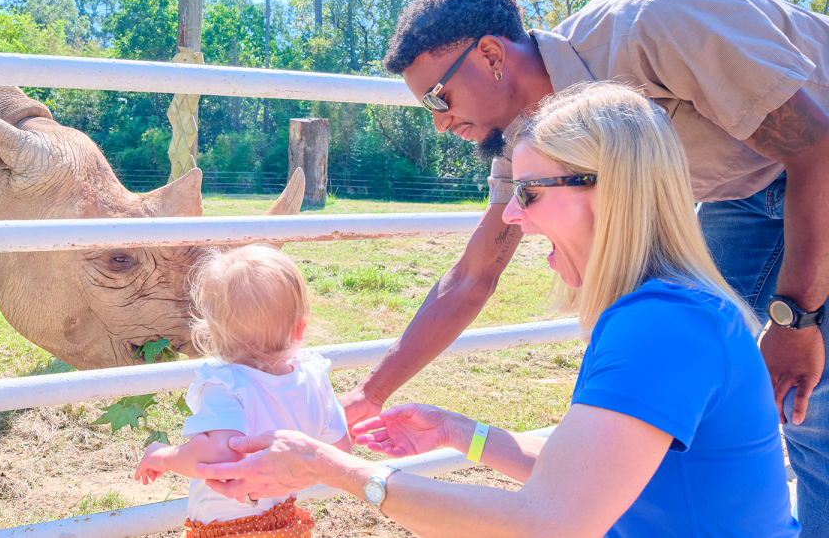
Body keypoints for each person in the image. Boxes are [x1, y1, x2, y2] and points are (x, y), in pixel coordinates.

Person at [337, 0, 829, 532]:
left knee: (810, 408)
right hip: (745, 191)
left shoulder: (656, 20)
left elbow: (816, 149)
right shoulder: (532, 144)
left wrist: (796, 318)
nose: (440, 123)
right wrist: (370, 394)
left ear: (492, 56)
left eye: (438, 98)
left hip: (815, 161)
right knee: (711, 382)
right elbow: (474, 275)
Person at [195, 83, 799, 537]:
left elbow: (549, 523)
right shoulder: (670, 312)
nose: (511, 215)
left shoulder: (662, 328)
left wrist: (337, 470)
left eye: (530, 193)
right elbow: (585, 477)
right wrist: (465, 435)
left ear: (609, 192)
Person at [134, 244, 351, 538]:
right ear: (299, 329)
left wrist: (163, 455)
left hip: (226, 530)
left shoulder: (229, 385)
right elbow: (340, 450)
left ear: (212, 329)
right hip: (283, 524)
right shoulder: (314, 378)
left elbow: (214, 455)